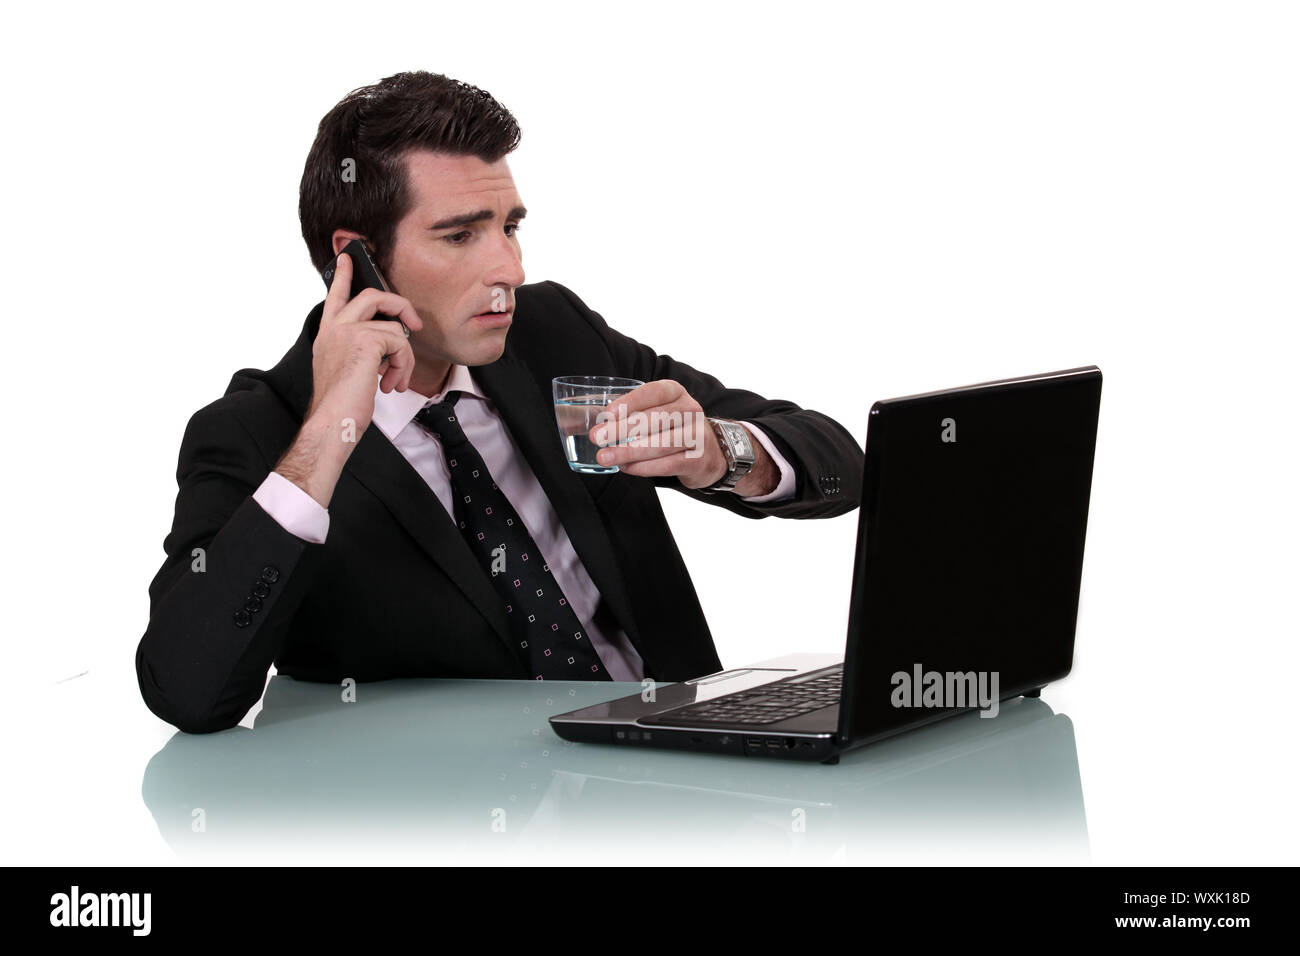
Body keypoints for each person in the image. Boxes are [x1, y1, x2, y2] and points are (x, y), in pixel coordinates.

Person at [136, 71, 863, 734]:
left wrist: (720, 453)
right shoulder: (258, 433)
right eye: (460, 235)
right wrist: (328, 435)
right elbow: (188, 690)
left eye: (509, 226)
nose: (509, 269)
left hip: (686, 784)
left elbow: (841, 464)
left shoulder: (555, 337)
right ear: (354, 257)